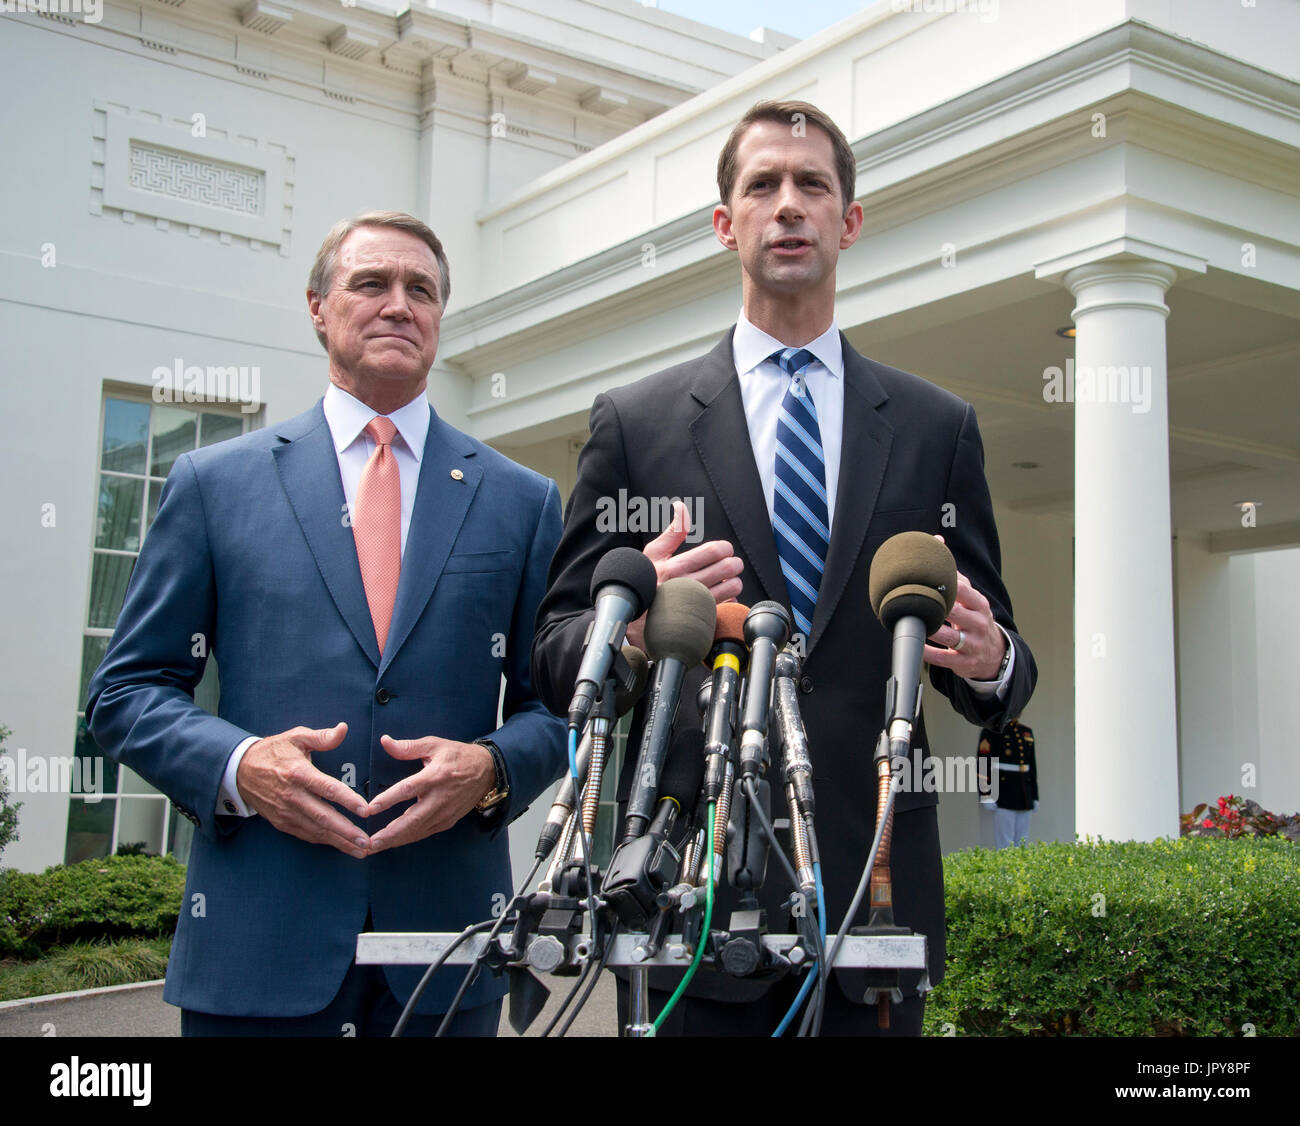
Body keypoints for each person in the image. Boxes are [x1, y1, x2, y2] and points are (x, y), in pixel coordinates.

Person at [531, 101, 1037, 1035]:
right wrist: (631, 631)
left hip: (874, 900)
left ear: (849, 221)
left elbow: (1001, 674)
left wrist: (989, 655)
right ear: (725, 224)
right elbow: (558, 652)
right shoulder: (634, 424)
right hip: (686, 894)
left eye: (813, 185)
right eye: (762, 185)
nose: (788, 205)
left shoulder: (935, 428)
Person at [86, 211, 566, 1036]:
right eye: (371, 283)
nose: (398, 305)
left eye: (421, 290)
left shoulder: (522, 502)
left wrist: (490, 769)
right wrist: (241, 764)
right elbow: (125, 690)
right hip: (257, 955)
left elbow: (558, 705)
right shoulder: (214, 484)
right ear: (318, 307)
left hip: (444, 963)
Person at [978, 718, 1039, 847]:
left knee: (1023, 841)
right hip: (1004, 793)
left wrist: (1034, 795)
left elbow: (1032, 767)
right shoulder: (992, 731)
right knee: (1005, 843)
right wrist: (986, 794)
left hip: (1024, 794)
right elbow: (984, 763)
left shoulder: (1026, 732)